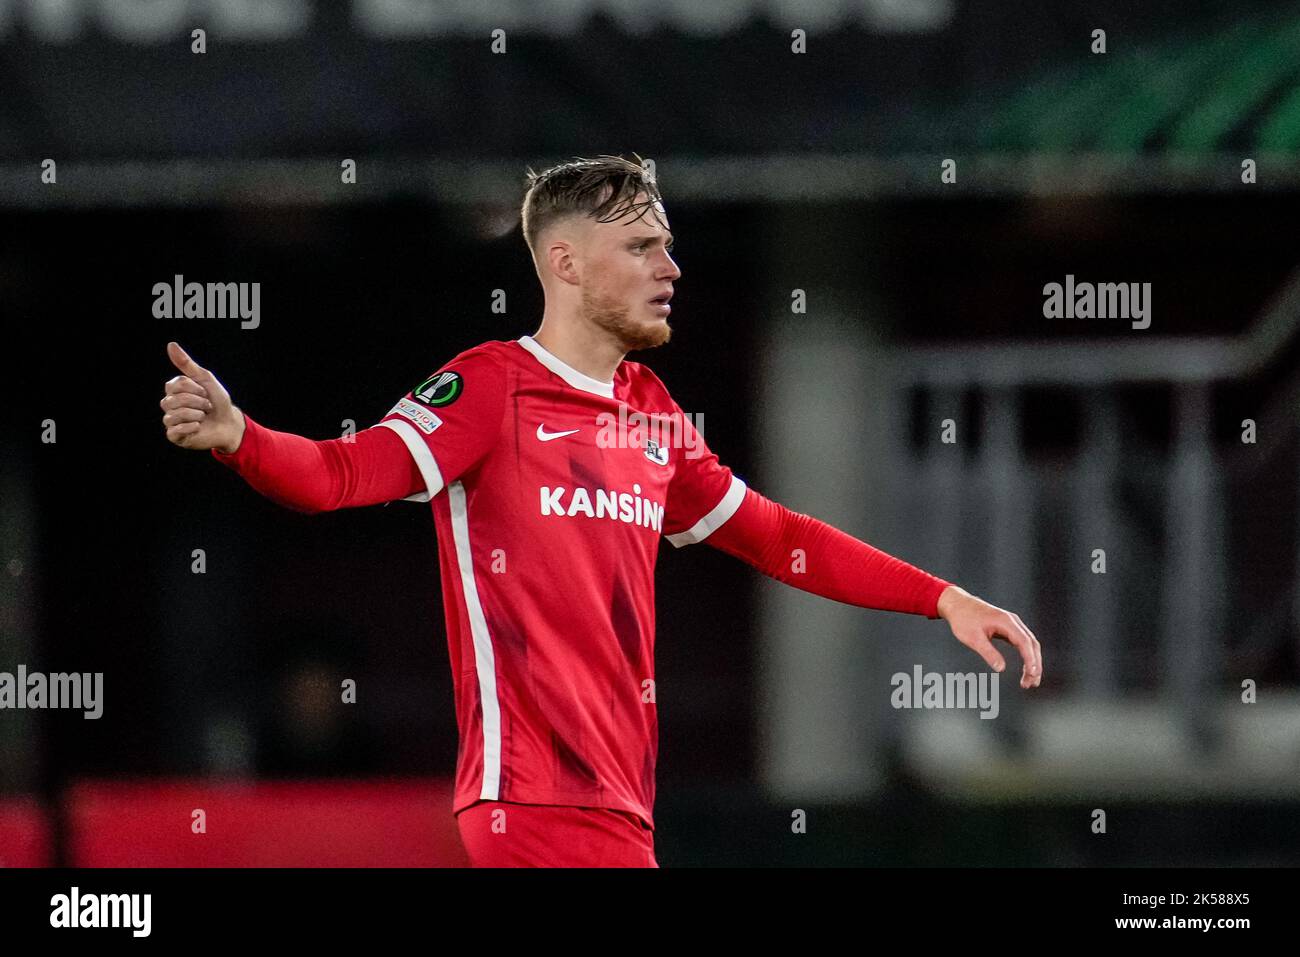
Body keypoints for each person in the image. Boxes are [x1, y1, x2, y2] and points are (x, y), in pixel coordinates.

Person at [159, 154, 1042, 868]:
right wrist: (241, 434)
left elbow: (779, 537)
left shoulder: (653, 412)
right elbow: (340, 474)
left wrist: (942, 598)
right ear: (566, 263)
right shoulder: (488, 387)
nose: (672, 268)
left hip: (619, 807)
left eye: (669, 246)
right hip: (530, 798)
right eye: (643, 247)